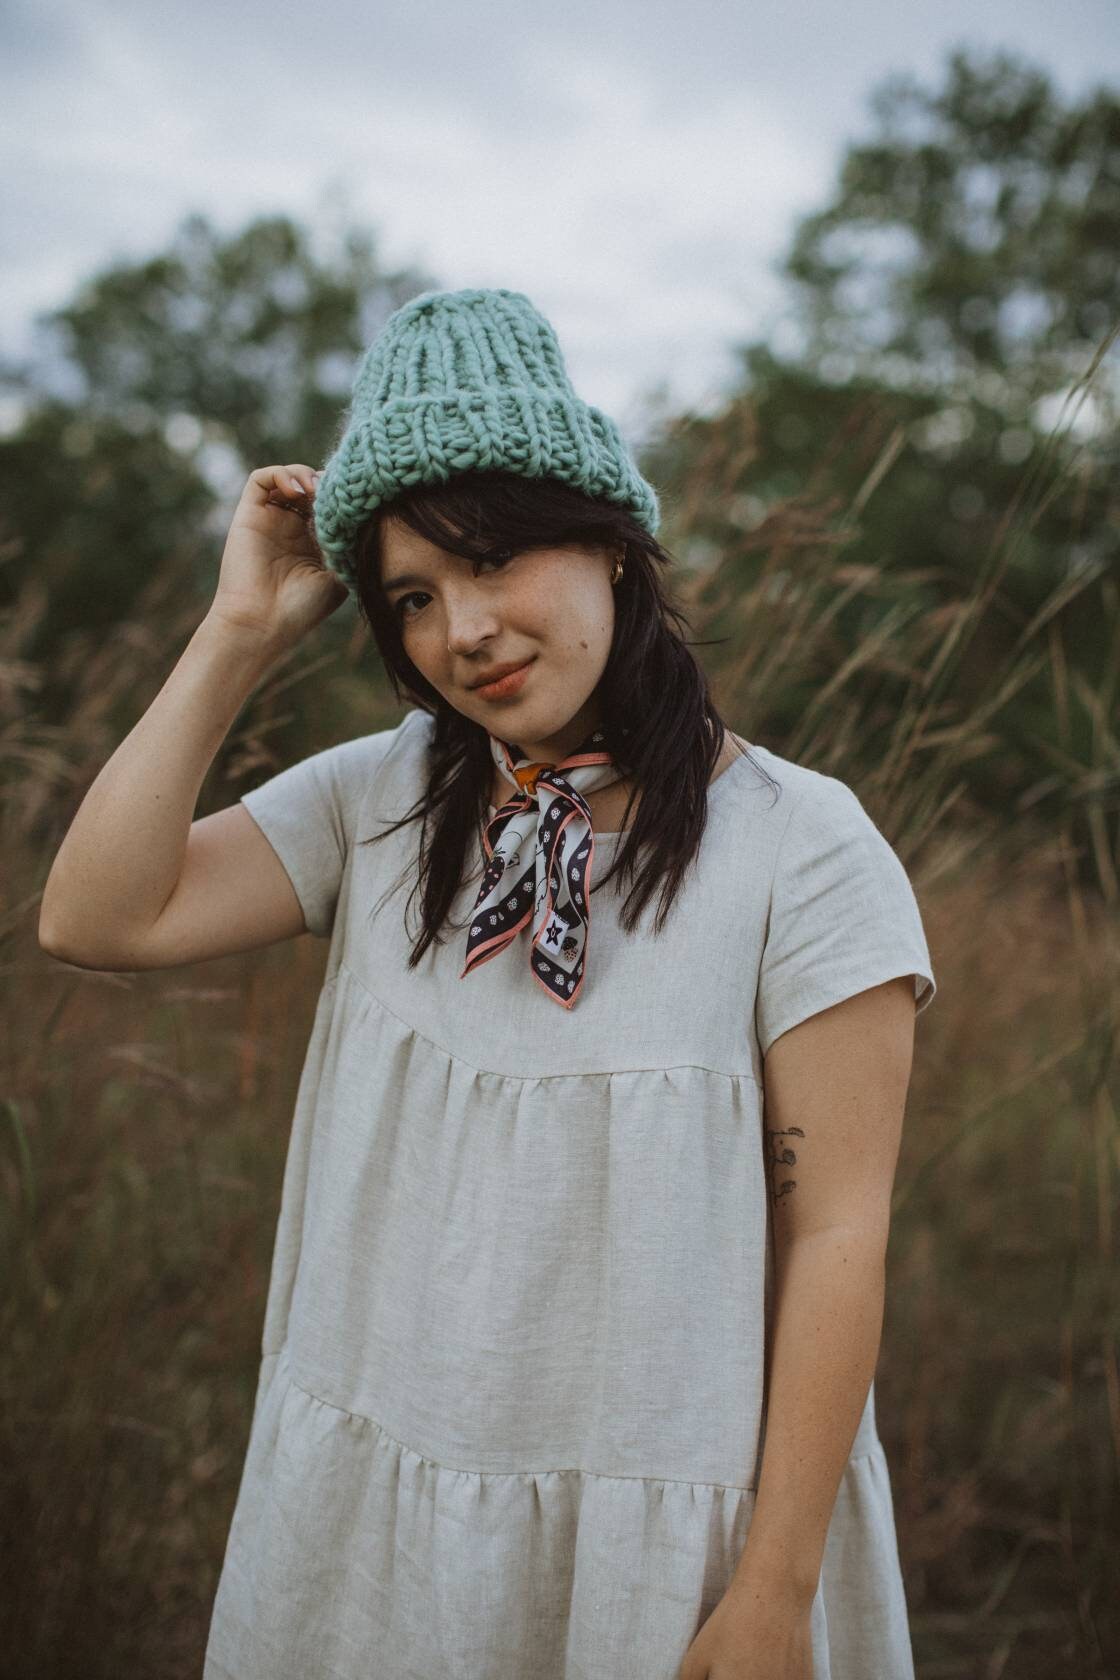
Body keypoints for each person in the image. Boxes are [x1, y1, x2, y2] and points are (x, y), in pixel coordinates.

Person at [38, 288, 937, 1680]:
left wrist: (772, 1593)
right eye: (412, 597)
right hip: (379, 1503)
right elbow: (98, 915)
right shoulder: (382, 803)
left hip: (670, 1532)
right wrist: (237, 630)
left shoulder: (804, 850)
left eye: (496, 558)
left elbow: (837, 1239)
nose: (462, 629)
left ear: (616, 550)